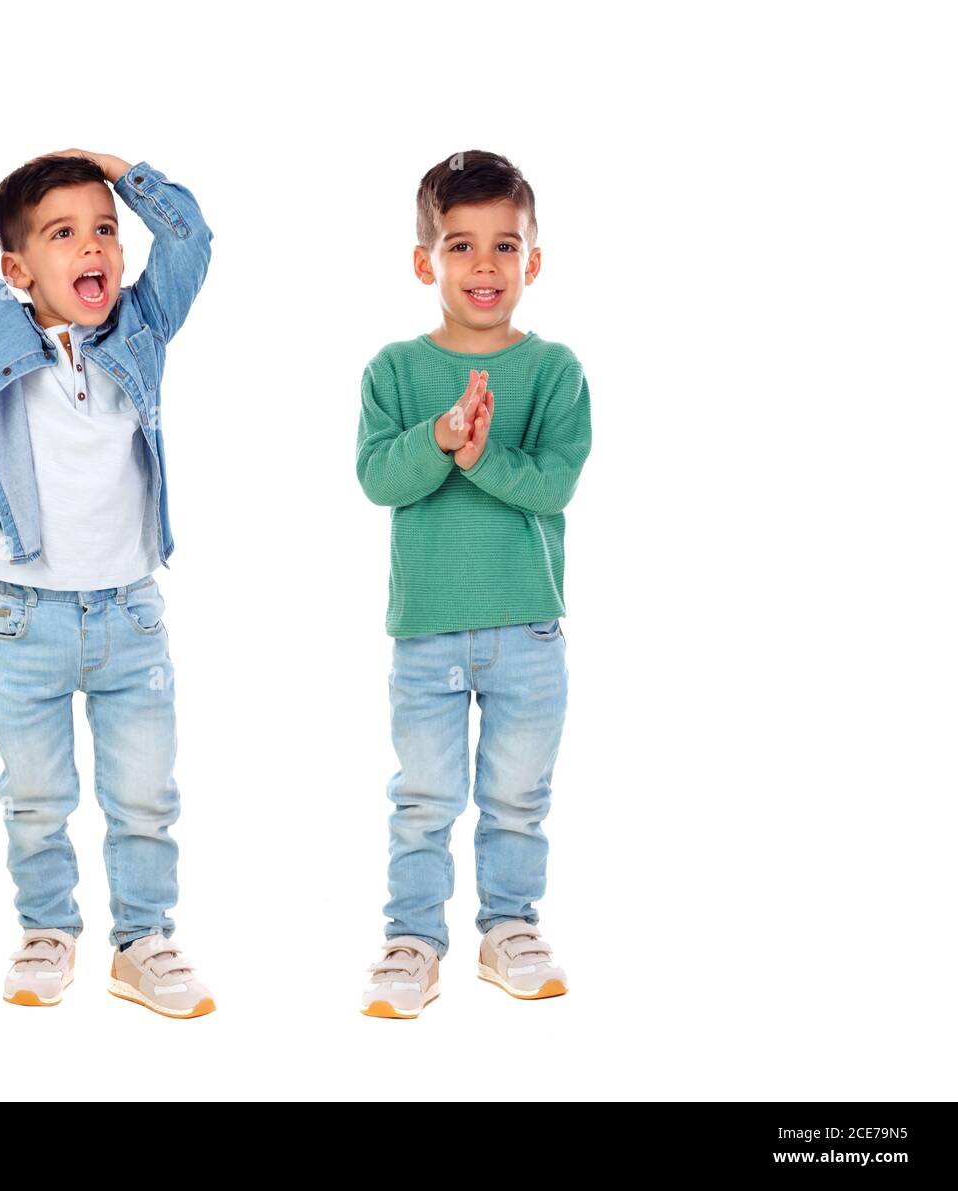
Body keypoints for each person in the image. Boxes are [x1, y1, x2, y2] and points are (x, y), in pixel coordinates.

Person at [0, 149, 215, 1016]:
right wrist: (2, 200)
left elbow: (192, 236)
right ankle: (47, 930)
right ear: (16, 268)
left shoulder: (142, 328)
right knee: (37, 795)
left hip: (130, 613)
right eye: (63, 235)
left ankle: (144, 940)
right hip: (27, 618)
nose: (93, 248)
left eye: (104, 231)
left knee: (143, 793)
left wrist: (122, 175)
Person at [355, 149, 592, 1018]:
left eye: (504, 246)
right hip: (426, 629)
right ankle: (412, 937)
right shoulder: (393, 369)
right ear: (426, 262)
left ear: (533, 259)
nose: (483, 265)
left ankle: (510, 927)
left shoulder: (555, 370)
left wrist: (481, 449)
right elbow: (381, 478)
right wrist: (442, 431)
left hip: (528, 629)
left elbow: (553, 484)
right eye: (460, 246)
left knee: (518, 795)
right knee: (423, 796)